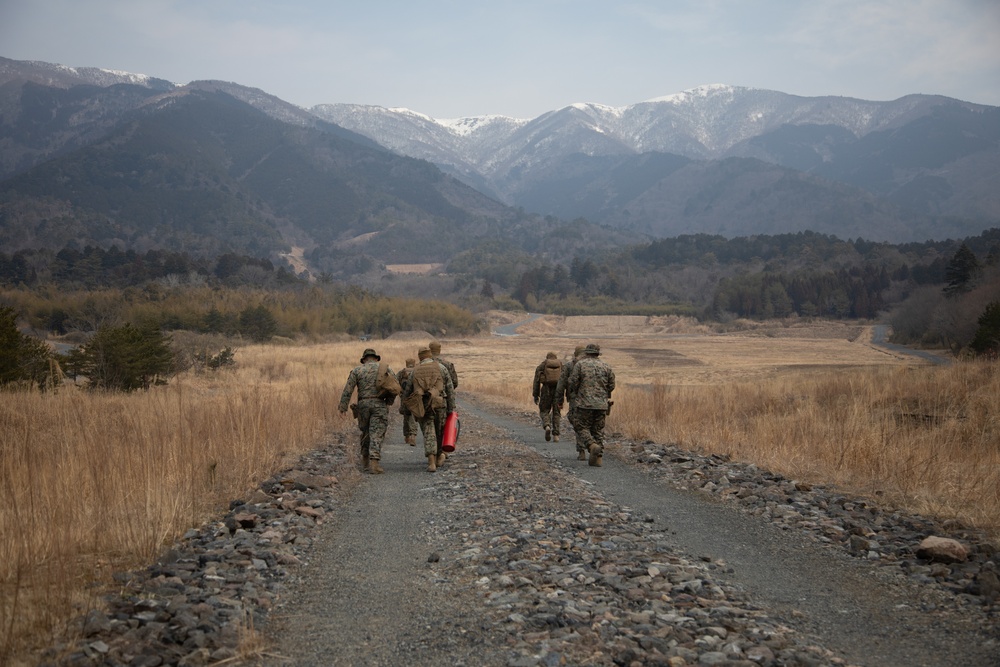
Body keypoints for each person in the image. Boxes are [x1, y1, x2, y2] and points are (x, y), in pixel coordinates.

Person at [338, 348, 394, 474]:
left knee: (365, 431)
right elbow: (395, 387)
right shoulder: (385, 369)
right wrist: (388, 402)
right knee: (377, 432)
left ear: (364, 360)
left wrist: (343, 407)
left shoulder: (357, 371)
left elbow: (348, 389)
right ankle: (374, 463)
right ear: (376, 358)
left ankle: (365, 460)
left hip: (363, 404)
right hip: (379, 404)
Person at [402, 346, 456, 472]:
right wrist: (451, 408)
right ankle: (439, 456)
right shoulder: (441, 368)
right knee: (439, 432)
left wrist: (406, 409)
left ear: (420, 357)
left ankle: (431, 462)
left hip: (423, 405)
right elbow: (450, 389)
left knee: (428, 432)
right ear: (430, 355)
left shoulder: (415, 370)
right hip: (440, 404)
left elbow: (407, 391)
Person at [566, 343, 615, 467]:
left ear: (587, 352)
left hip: (584, 403)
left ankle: (591, 445)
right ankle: (598, 459)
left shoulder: (580, 365)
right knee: (598, 431)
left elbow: (573, 382)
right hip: (601, 405)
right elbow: (611, 385)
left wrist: (577, 392)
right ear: (597, 353)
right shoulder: (606, 366)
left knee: (580, 426)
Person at [555, 345, 587, 459]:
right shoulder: (596, 364)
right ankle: (596, 449)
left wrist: (560, 400)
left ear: (575, 353)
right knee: (593, 424)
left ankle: (582, 451)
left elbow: (561, 384)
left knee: (578, 422)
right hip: (596, 400)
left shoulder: (570, 365)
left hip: (575, 399)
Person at [532, 352, 563, 442]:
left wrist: (536, 395)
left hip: (546, 390)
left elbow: (536, 381)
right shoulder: (561, 365)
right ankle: (556, 435)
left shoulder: (542, 365)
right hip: (558, 391)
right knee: (557, 413)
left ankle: (547, 425)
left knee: (544, 410)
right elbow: (565, 380)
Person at [396, 358, 417, 446]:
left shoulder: (402, 372)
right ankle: (413, 435)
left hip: (404, 397)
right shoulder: (417, 371)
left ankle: (407, 436)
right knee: (413, 416)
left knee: (406, 416)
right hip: (415, 397)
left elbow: (395, 382)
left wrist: (400, 392)